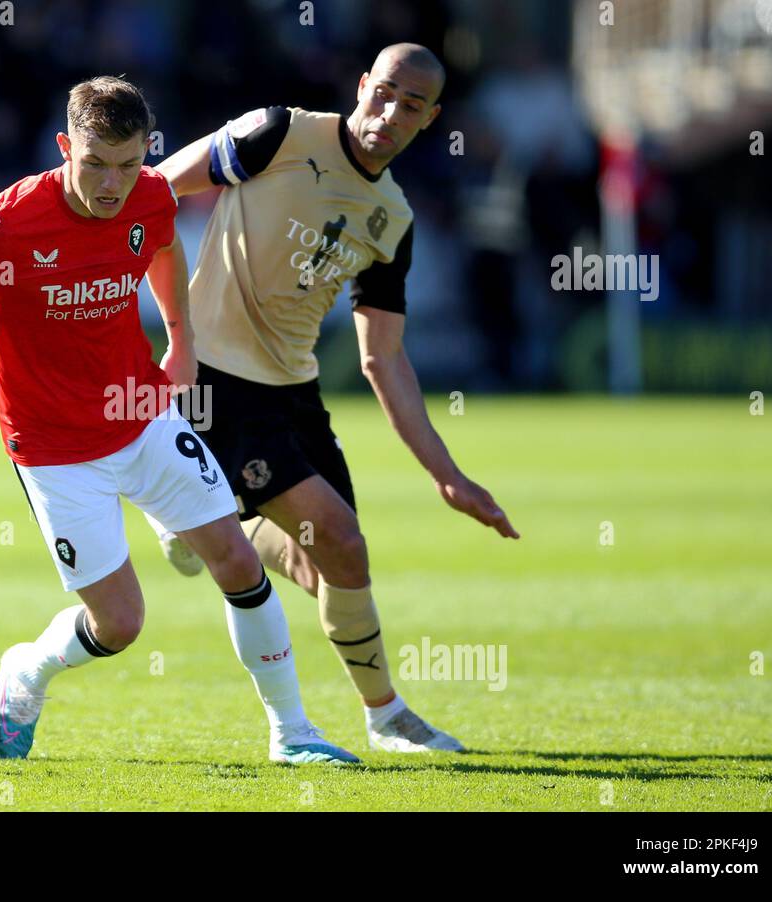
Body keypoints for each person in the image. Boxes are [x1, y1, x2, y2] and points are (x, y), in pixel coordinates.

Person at [0, 76, 357, 766]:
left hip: (141, 415)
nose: (113, 184)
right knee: (122, 624)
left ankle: (293, 733)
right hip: (53, 450)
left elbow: (161, 244)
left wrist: (181, 339)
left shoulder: (151, 194)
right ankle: (28, 672)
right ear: (66, 146)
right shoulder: (4, 223)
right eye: (96, 163)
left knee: (238, 559)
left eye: (129, 164)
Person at [149, 45, 520, 752]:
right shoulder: (279, 132)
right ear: (362, 86)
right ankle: (388, 717)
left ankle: (199, 518)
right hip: (215, 379)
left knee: (335, 567)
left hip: (294, 391)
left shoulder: (392, 219)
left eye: (411, 105)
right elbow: (157, 192)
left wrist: (447, 475)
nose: (389, 113)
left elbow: (382, 358)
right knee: (342, 536)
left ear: (430, 117)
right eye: (382, 93)